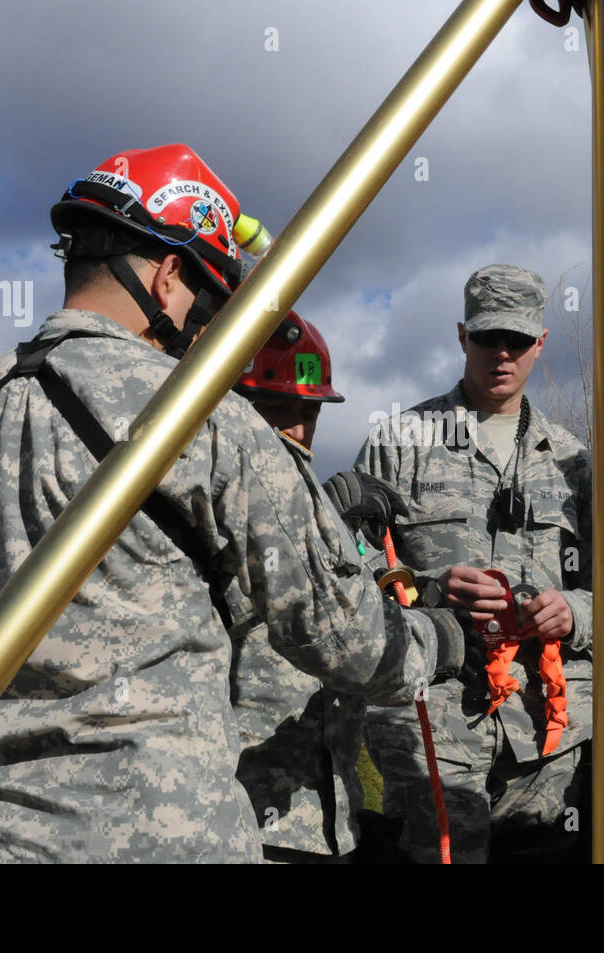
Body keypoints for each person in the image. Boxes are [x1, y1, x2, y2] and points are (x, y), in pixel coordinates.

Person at [0, 144, 464, 863]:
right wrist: (440, 639)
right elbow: (337, 631)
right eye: (213, 301)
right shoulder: (208, 422)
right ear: (168, 278)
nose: (210, 327)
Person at [353, 264, 593, 864]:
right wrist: (428, 588)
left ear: (542, 342)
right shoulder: (397, 442)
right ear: (463, 336)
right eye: (488, 338)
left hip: (548, 725)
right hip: (432, 716)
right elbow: (347, 570)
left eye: (517, 340)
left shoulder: (575, 463)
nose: (502, 354)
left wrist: (574, 611)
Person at [226, 310, 365, 862]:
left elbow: (359, 615)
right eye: (279, 411)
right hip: (243, 823)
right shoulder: (199, 509)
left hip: (332, 819)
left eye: (310, 413)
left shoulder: (316, 509)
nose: (299, 431)